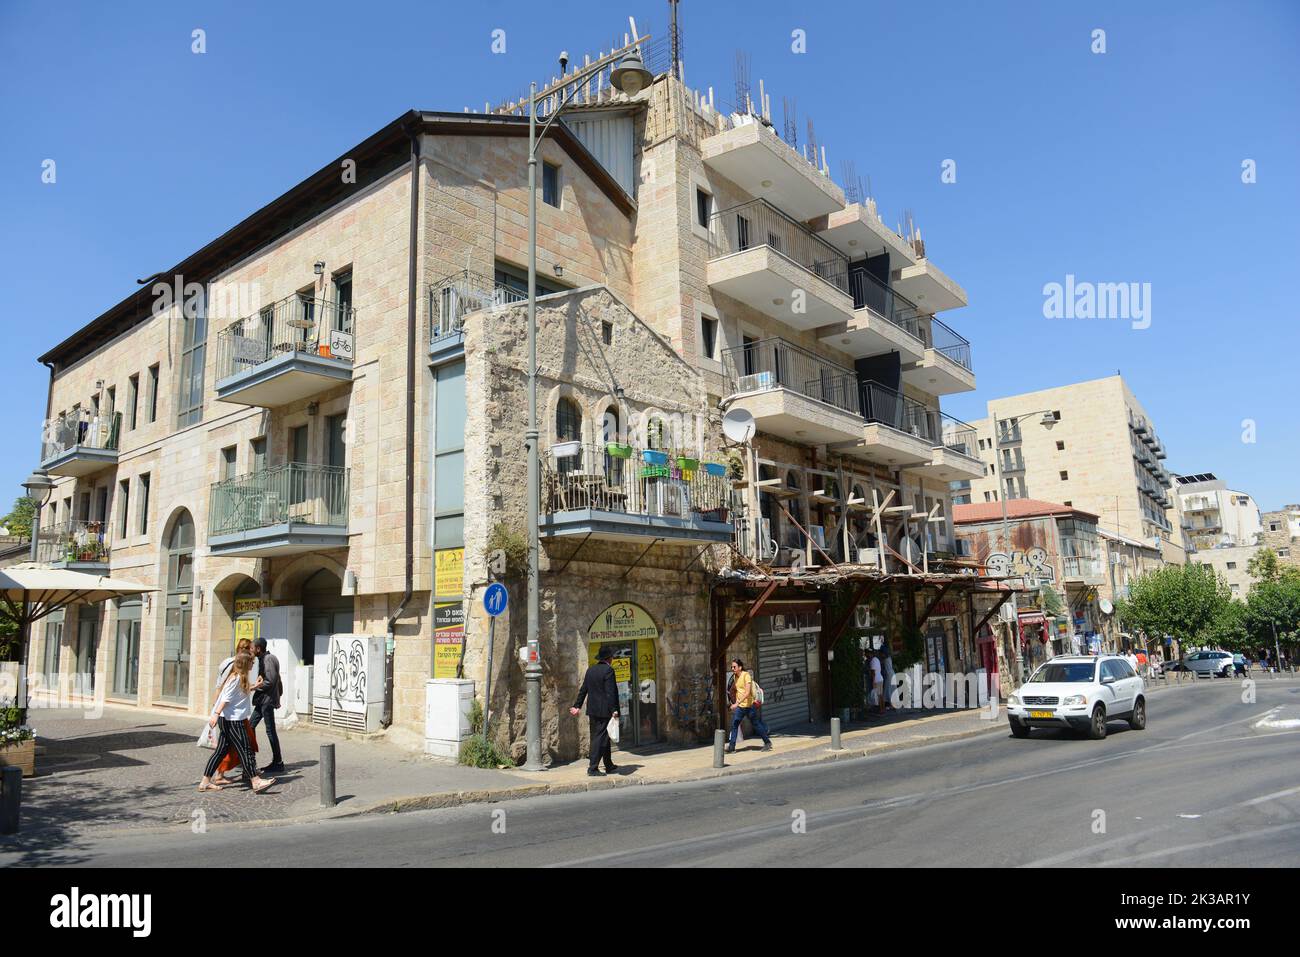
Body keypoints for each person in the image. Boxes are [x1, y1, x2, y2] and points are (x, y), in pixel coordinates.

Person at [199, 651, 276, 793]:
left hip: (228, 719)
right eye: (252, 662)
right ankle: (256, 781)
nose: (253, 664)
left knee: (220, 752)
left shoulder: (239, 677)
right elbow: (225, 698)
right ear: (246, 663)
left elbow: (241, 692)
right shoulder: (236, 678)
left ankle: (205, 782)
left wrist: (256, 686)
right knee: (245, 749)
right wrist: (215, 714)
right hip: (233, 720)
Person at [212, 639, 261, 782]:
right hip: (231, 714)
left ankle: (214, 776)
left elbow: (237, 689)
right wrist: (216, 710)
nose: (252, 652)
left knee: (236, 745)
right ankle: (251, 776)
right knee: (241, 745)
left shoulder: (239, 666)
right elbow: (225, 688)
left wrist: (254, 686)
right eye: (250, 648)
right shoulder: (234, 665)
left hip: (233, 713)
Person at [569, 646, 619, 776]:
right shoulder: (609, 671)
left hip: (592, 710)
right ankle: (593, 768)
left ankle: (608, 764)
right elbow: (610, 692)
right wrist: (614, 709)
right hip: (605, 711)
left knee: (604, 736)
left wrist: (577, 706)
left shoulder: (590, 670)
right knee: (600, 738)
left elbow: (583, 689)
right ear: (609, 658)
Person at [250, 637, 285, 775]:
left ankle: (278, 762)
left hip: (267, 701)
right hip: (262, 700)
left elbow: (270, 681)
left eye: (252, 648)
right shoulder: (263, 659)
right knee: (250, 726)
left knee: (270, 731)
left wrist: (255, 687)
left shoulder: (268, 659)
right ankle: (250, 759)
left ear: (258, 649)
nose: (251, 651)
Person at [725, 658, 772, 753]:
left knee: (756, 724)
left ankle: (767, 743)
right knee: (734, 725)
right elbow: (736, 689)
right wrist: (732, 697)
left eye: (734, 667)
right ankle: (731, 747)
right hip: (740, 707)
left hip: (749, 706)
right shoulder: (735, 677)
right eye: (732, 667)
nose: (732, 668)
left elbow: (747, 693)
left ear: (740, 667)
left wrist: (736, 704)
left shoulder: (746, 676)